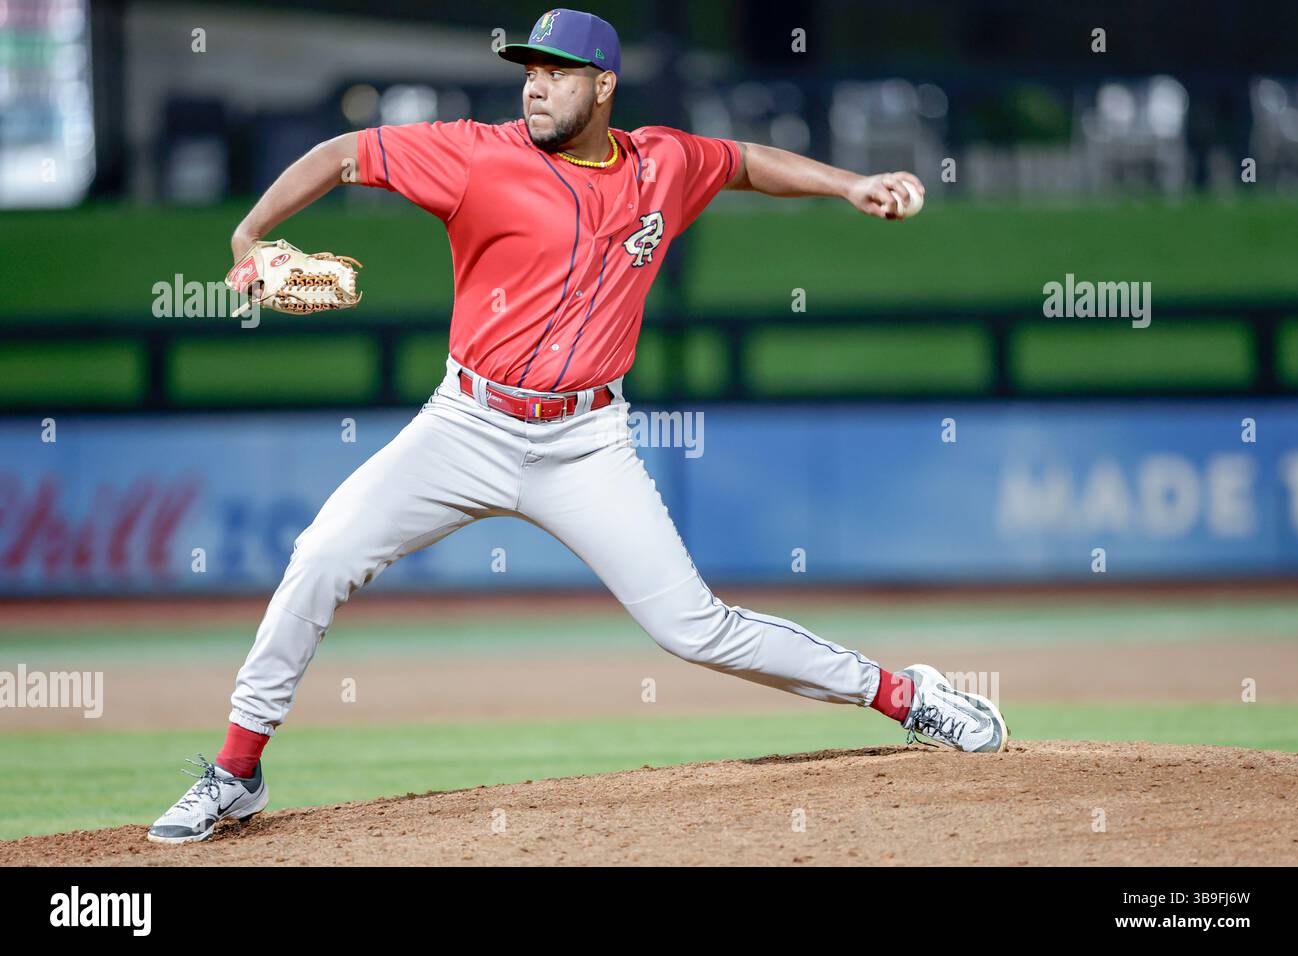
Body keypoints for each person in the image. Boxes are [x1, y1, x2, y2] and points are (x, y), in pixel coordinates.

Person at [148, 8, 1006, 845]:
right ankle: (236, 770)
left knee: (692, 629)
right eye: (529, 70)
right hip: (465, 427)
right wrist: (250, 234)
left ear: (603, 86)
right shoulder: (473, 156)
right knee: (322, 554)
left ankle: (905, 694)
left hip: (586, 443)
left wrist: (848, 184)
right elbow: (342, 156)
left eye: (556, 73)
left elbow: (744, 161)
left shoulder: (664, 162)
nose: (535, 87)